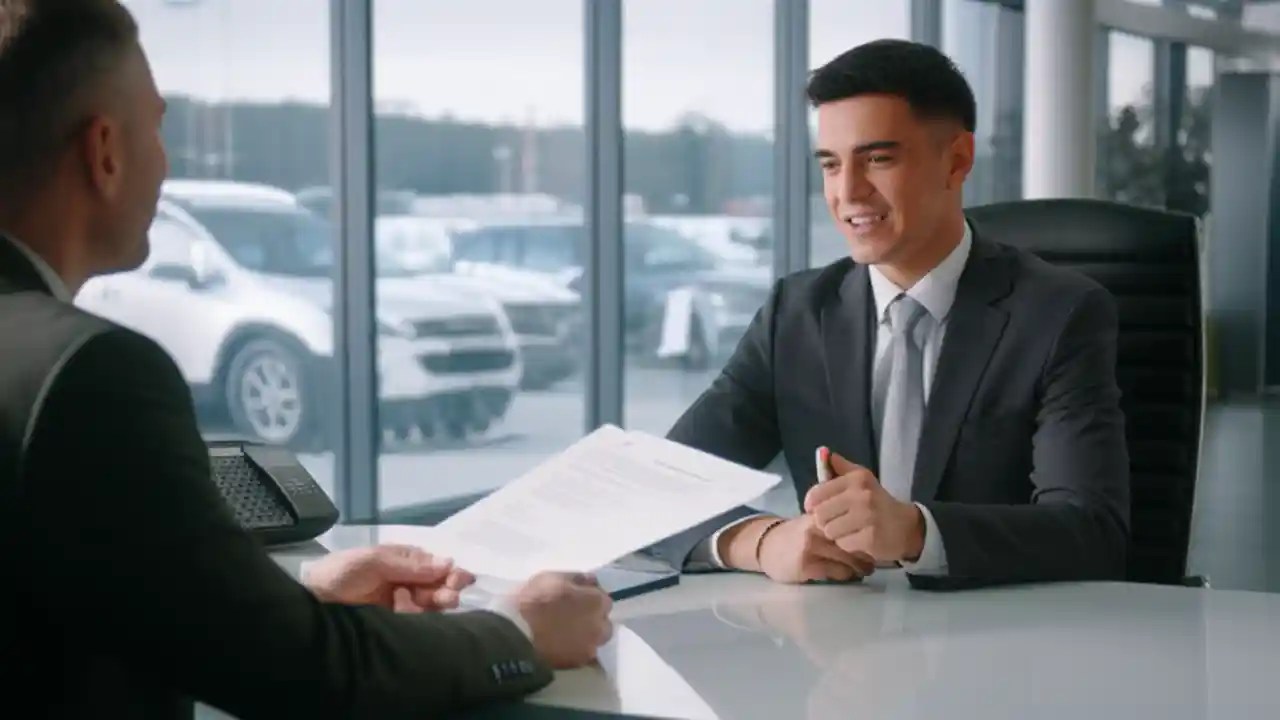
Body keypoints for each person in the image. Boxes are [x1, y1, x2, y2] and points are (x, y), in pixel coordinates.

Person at [0, 2, 610, 717]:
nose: (168, 163)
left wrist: (291, 599)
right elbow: (303, 675)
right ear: (104, 151)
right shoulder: (86, 371)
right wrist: (520, 632)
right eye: (159, 127)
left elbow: (67, 607)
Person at [649, 39, 1130, 589]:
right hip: (839, 649)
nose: (848, 192)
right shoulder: (798, 315)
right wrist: (761, 541)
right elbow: (659, 489)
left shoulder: (1059, 314)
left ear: (957, 160)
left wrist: (915, 533)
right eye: (831, 165)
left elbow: (1092, 534)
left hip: (1002, 645)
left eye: (877, 159)